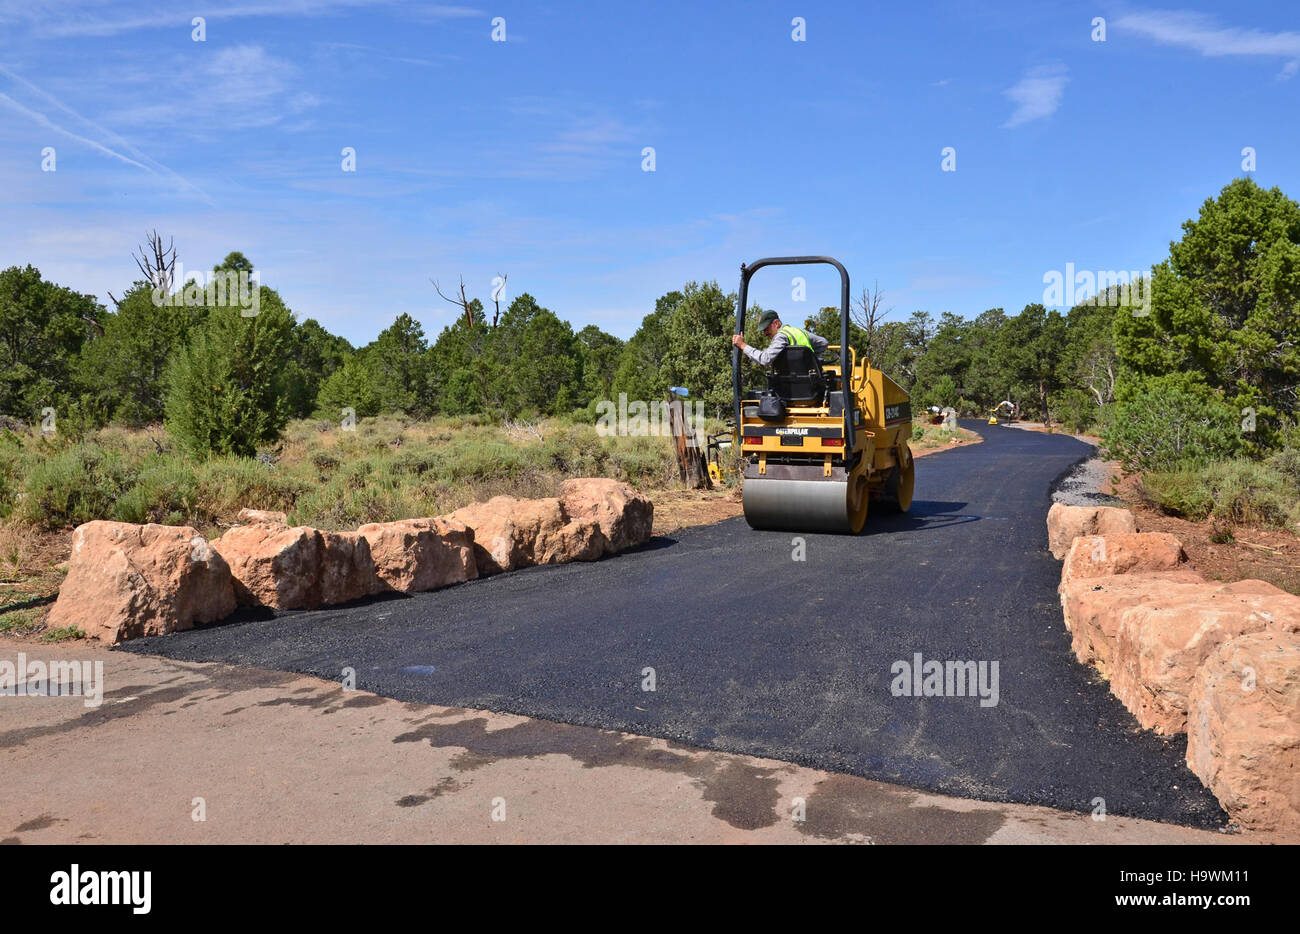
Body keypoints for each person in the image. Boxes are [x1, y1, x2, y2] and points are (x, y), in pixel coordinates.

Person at [731, 310, 828, 367]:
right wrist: (814, 359)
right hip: (811, 382)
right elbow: (823, 343)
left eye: (766, 328)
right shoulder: (799, 331)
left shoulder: (781, 336)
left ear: (776, 323)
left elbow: (765, 359)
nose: (765, 333)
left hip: (790, 386)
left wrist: (742, 345)